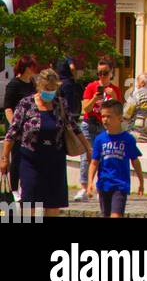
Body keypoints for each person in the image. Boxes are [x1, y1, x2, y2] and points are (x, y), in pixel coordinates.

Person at [0, 66, 86, 216]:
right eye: (47, 88)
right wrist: (4, 157)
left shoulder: (61, 104)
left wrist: (88, 148)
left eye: (53, 88)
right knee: (30, 204)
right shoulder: (26, 104)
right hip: (31, 160)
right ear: (39, 86)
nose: (50, 92)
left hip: (55, 161)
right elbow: (12, 132)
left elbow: (74, 126)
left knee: (53, 205)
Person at [73, 58, 122, 201]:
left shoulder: (115, 90)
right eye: (99, 73)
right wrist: (95, 98)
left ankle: (102, 188)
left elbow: (118, 111)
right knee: (85, 157)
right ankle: (84, 188)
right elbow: (85, 108)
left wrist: (112, 96)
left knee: (104, 158)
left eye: (105, 73)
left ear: (111, 73)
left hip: (104, 126)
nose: (102, 76)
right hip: (89, 124)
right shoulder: (91, 87)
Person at [87, 98, 144, 218]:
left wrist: (141, 182)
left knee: (116, 215)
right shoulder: (100, 139)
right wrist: (90, 182)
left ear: (120, 118)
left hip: (120, 185)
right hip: (103, 184)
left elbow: (135, 161)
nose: (105, 120)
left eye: (109, 116)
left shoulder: (128, 139)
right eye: (103, 116)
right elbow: (94, 162)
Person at [3, 55, 38, 197]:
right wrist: (14, 126)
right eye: (32, 66)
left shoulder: (33, 84)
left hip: (31, 128)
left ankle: (27, 187)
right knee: (16, 157)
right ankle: (14, 190)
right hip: (17, 127)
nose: (34, 69)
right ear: (26, 68)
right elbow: (8, 108)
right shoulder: (14, 84)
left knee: (29, 157)